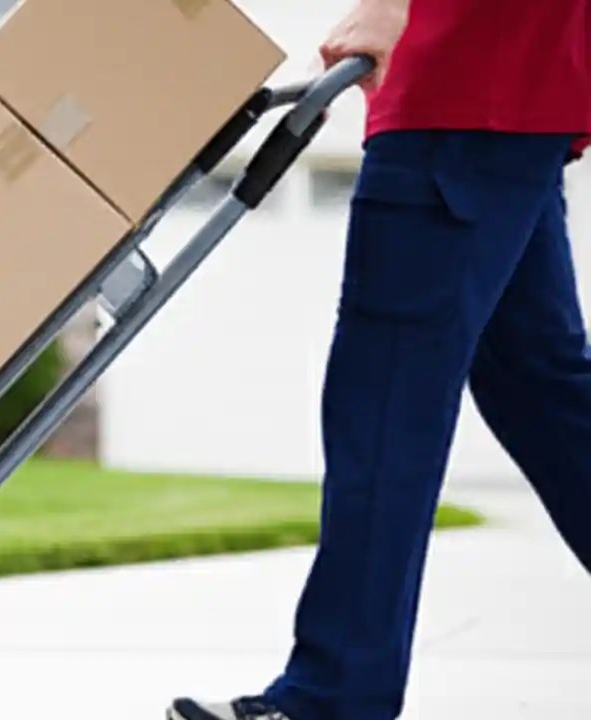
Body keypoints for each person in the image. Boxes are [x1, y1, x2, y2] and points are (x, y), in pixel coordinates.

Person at [168, 0, 591, 718]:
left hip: (463, 82)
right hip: (512, 89)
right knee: (542, 389)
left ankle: (336, 696)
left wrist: (389, 5)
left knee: (386, 404)